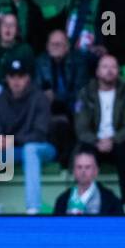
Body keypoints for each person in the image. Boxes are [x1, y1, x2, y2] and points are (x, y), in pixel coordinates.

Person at [74, 53, 125, 213]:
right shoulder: (85, 92)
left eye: (113, 67)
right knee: (84, 157)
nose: (109, 70)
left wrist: (112, 140)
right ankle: (81, 201)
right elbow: (81, 127)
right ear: (97, 71)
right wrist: (97, 141)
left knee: (124, 152)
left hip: (118, 142)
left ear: (118, 71)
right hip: (93, 142)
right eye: (105, 67)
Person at [0, 59, 54, 215]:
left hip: (42, 148)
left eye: (20, 76)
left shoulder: (39, 98)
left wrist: (13, 141)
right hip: (10, 150)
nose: (16, 81)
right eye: (12, 76)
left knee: (30, 149)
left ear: (27, 78)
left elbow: (40, 133)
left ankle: (33, 207)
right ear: (7, 78)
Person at [36, 29, 87, 158]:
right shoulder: (41, 62)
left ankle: (70, 162)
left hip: (72, 107)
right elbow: (36, 90)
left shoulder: (79, 60)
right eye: (53, 44)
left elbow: (80, 91)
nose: (55, 47)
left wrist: (57, 97)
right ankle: (53, 160)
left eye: (59, 44)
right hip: (49, 108)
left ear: (67, 47)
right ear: (47, 46)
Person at [53, 148, 124, 215]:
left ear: (96, 171)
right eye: (79, 167)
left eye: (87, 167)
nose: (83, 171)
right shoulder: (62, 200)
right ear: (74, 171)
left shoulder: (110, 200)